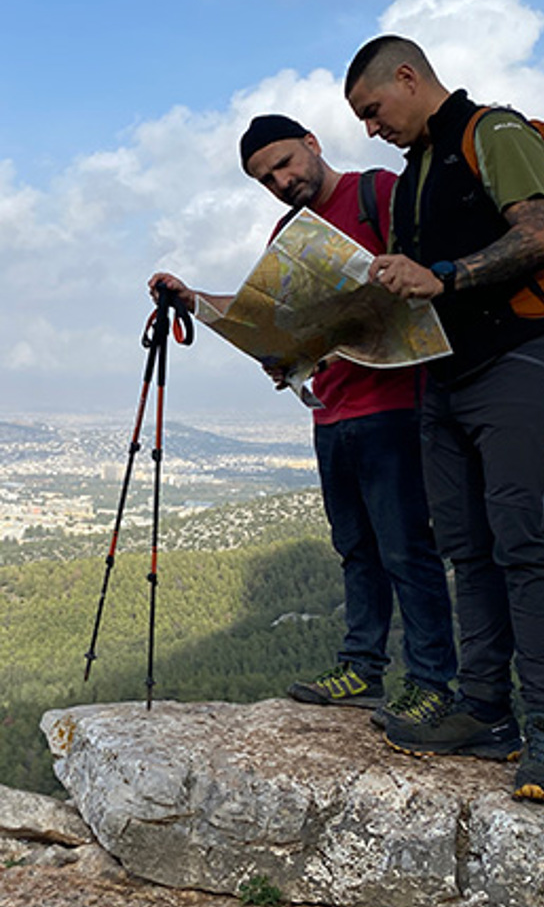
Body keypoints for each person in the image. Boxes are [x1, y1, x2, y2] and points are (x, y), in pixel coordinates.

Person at [149, 114, 457, 729]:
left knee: (406, 549)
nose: (280, 182)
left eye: (285, 164)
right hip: (330, 407)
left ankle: (432, 684)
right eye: (266, 179)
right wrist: (194, 301)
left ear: (313, 144)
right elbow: (265, 314)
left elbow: (432, 275)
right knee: (356, 549)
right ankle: (362, 669)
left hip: (397, 401)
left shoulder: (378, 193)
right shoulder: (289, 231)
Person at [344, 35, 544, 802]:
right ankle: (485, 710)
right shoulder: (415, 173)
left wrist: (443, 276)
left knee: (521, 540)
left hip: (519, 357)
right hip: (442, 378)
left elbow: (540, 234)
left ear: (407, 76)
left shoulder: (493, 132)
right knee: (467, 548)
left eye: (373, 110)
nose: (371, 129)